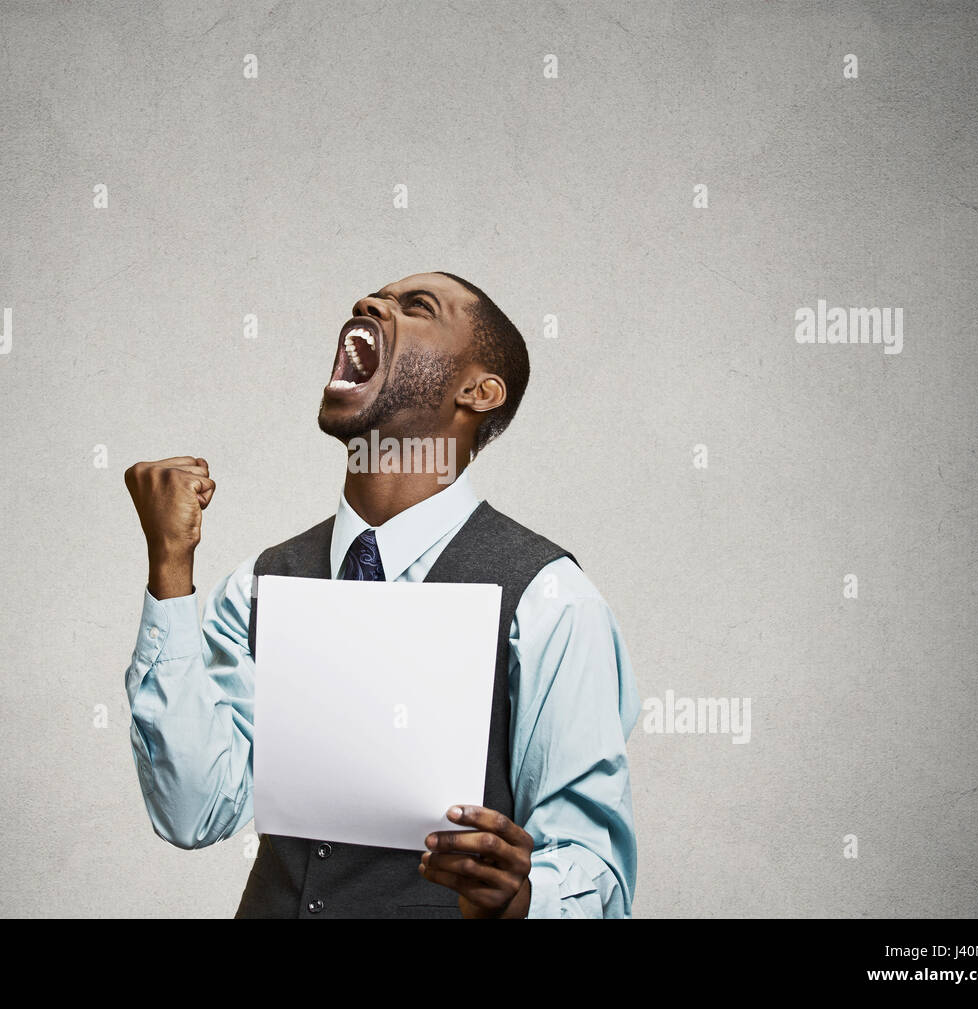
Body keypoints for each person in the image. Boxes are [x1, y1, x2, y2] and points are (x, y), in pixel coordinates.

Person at [122, 271, 640, 918]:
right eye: (374, 298)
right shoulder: (260, 585)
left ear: (478, 391)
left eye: (416, 306)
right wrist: (170, 567)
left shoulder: (549, 601)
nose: (366, 303)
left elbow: (595, 868)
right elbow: (192, 810)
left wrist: (523, 900)